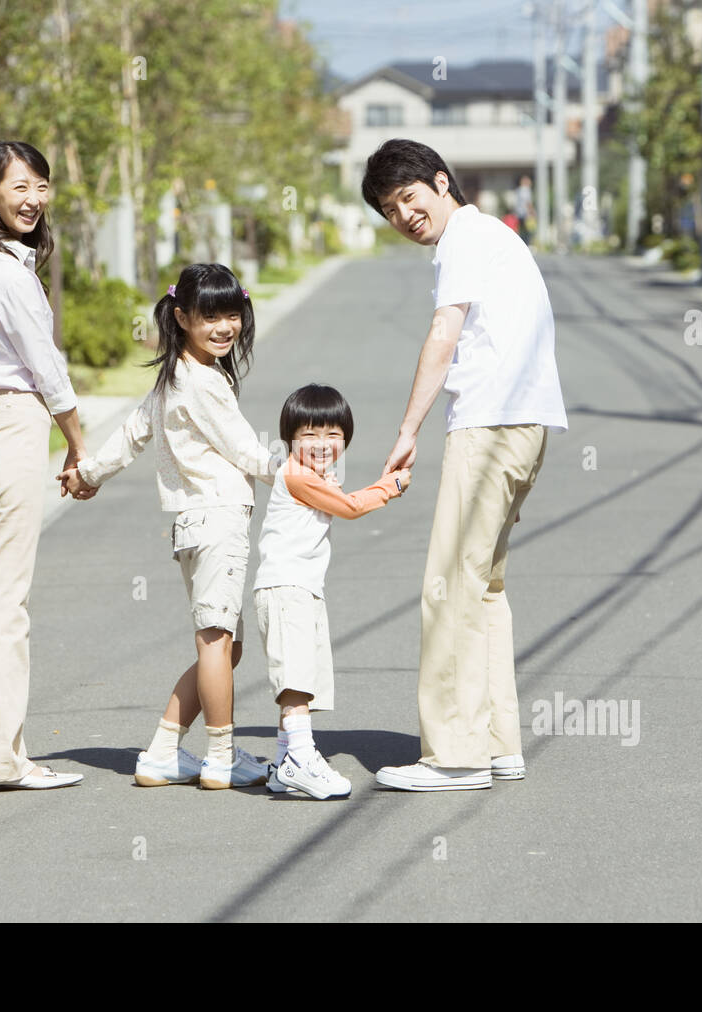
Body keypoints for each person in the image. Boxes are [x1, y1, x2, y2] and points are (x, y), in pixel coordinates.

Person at [360, 138, 567, 792]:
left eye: (410, 197)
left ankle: (454, 753)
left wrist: (406, 430)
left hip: (489, 424)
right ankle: (498, 742)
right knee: (483, 587)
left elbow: (444, 334)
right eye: (391, 209)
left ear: (441, 182)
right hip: (526, 426)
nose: (405, 215)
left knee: (449, 585)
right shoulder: (494, 238)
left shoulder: (465, 243)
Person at [60, 263, 274, 790]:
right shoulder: (201, 381)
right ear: (181, 318)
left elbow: (131, 435)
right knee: (218, 643)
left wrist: (88, 474)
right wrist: (308, 476)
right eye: (210, 317)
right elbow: (245, 449)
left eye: (232, 315)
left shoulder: (173, 377)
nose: (225, 327)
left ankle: (161, 751)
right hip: (219, 521)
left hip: (191, 527)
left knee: (224, 645)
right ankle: (221, 756)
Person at [0, 140, 89, 790]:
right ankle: (1, 759)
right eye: (19, 186)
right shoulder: (11, 275)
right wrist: (79, 443)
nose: (32, 198)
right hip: (10, 424)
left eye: (41, 185)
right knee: (7, 604)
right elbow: (47, 368)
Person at [254, 384, 411, 799]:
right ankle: (303, 759)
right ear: (289, 439)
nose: (321, 445)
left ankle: (286, 762)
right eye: (308, 435)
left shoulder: (316, 474)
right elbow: (352, 508)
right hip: (287, 586)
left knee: (302, 672)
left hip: (300, 587)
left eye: (332, 435)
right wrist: (390, 486)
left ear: (346, 438)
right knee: (297, 679)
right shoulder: (298, 475)